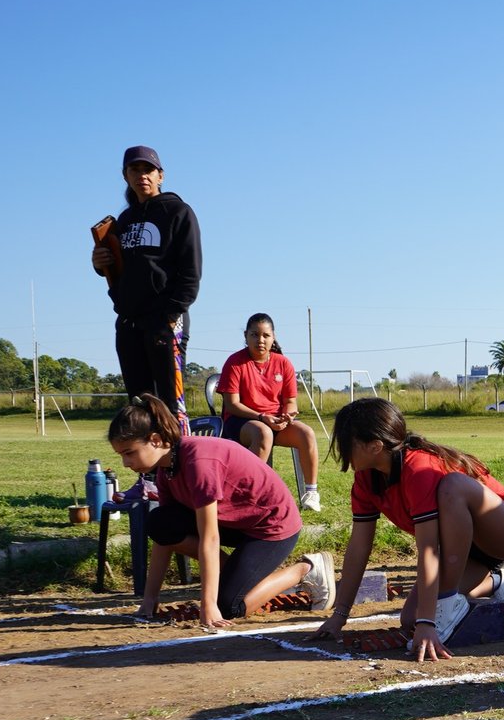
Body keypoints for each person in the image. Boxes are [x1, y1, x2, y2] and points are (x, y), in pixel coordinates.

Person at [308, 398, 504, 660]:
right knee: (410, 618)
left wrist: (430, 620)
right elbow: (358, 548)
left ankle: (449, 602)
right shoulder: (366, 479)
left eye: (347, 442)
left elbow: (428, 549)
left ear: (375, 446)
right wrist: (340, 615)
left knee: (454, 485)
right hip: (465, 549)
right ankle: (498, 581)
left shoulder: (419, 468)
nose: (340, 449)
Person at [106, 394, 333, 631]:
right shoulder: (166, 469)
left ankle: (306, 569)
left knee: (229, 606)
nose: (125, 463)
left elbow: (210, 538)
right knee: (161, 522)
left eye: (129, 453)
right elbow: (164, 537)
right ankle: (235, 573)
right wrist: (150, 598)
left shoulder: (198, 462)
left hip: (272, 526)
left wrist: (208, 604)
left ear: (155, 440)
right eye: (121, 455)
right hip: (237, 522)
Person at [91, 146, 202, 434]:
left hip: (165, 322)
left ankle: (180, 472)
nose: (142, 175)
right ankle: (150, 477)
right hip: (129, 322)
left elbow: (191, 273)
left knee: (169, 406)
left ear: (161, 175)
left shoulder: (178, 212)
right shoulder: (124, 221)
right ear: (125, 175)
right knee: (139, 406)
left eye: (148, 170)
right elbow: (118, 270)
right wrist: (99, 262)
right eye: (135, 170)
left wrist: (169, 315)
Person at [216, 313, 322, 511]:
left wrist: (287, 417)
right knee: (263, 433)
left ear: (273, 337)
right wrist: (261, 417)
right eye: (254, 335)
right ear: (246, 336)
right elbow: (232, 405)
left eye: (265, 335)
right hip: (241, 421)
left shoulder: (283, 363)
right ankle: (247, 494)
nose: (260, 340)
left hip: (274, 421)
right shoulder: (235, 362)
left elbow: (290, 401)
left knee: (306, 433)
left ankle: (311, 493)